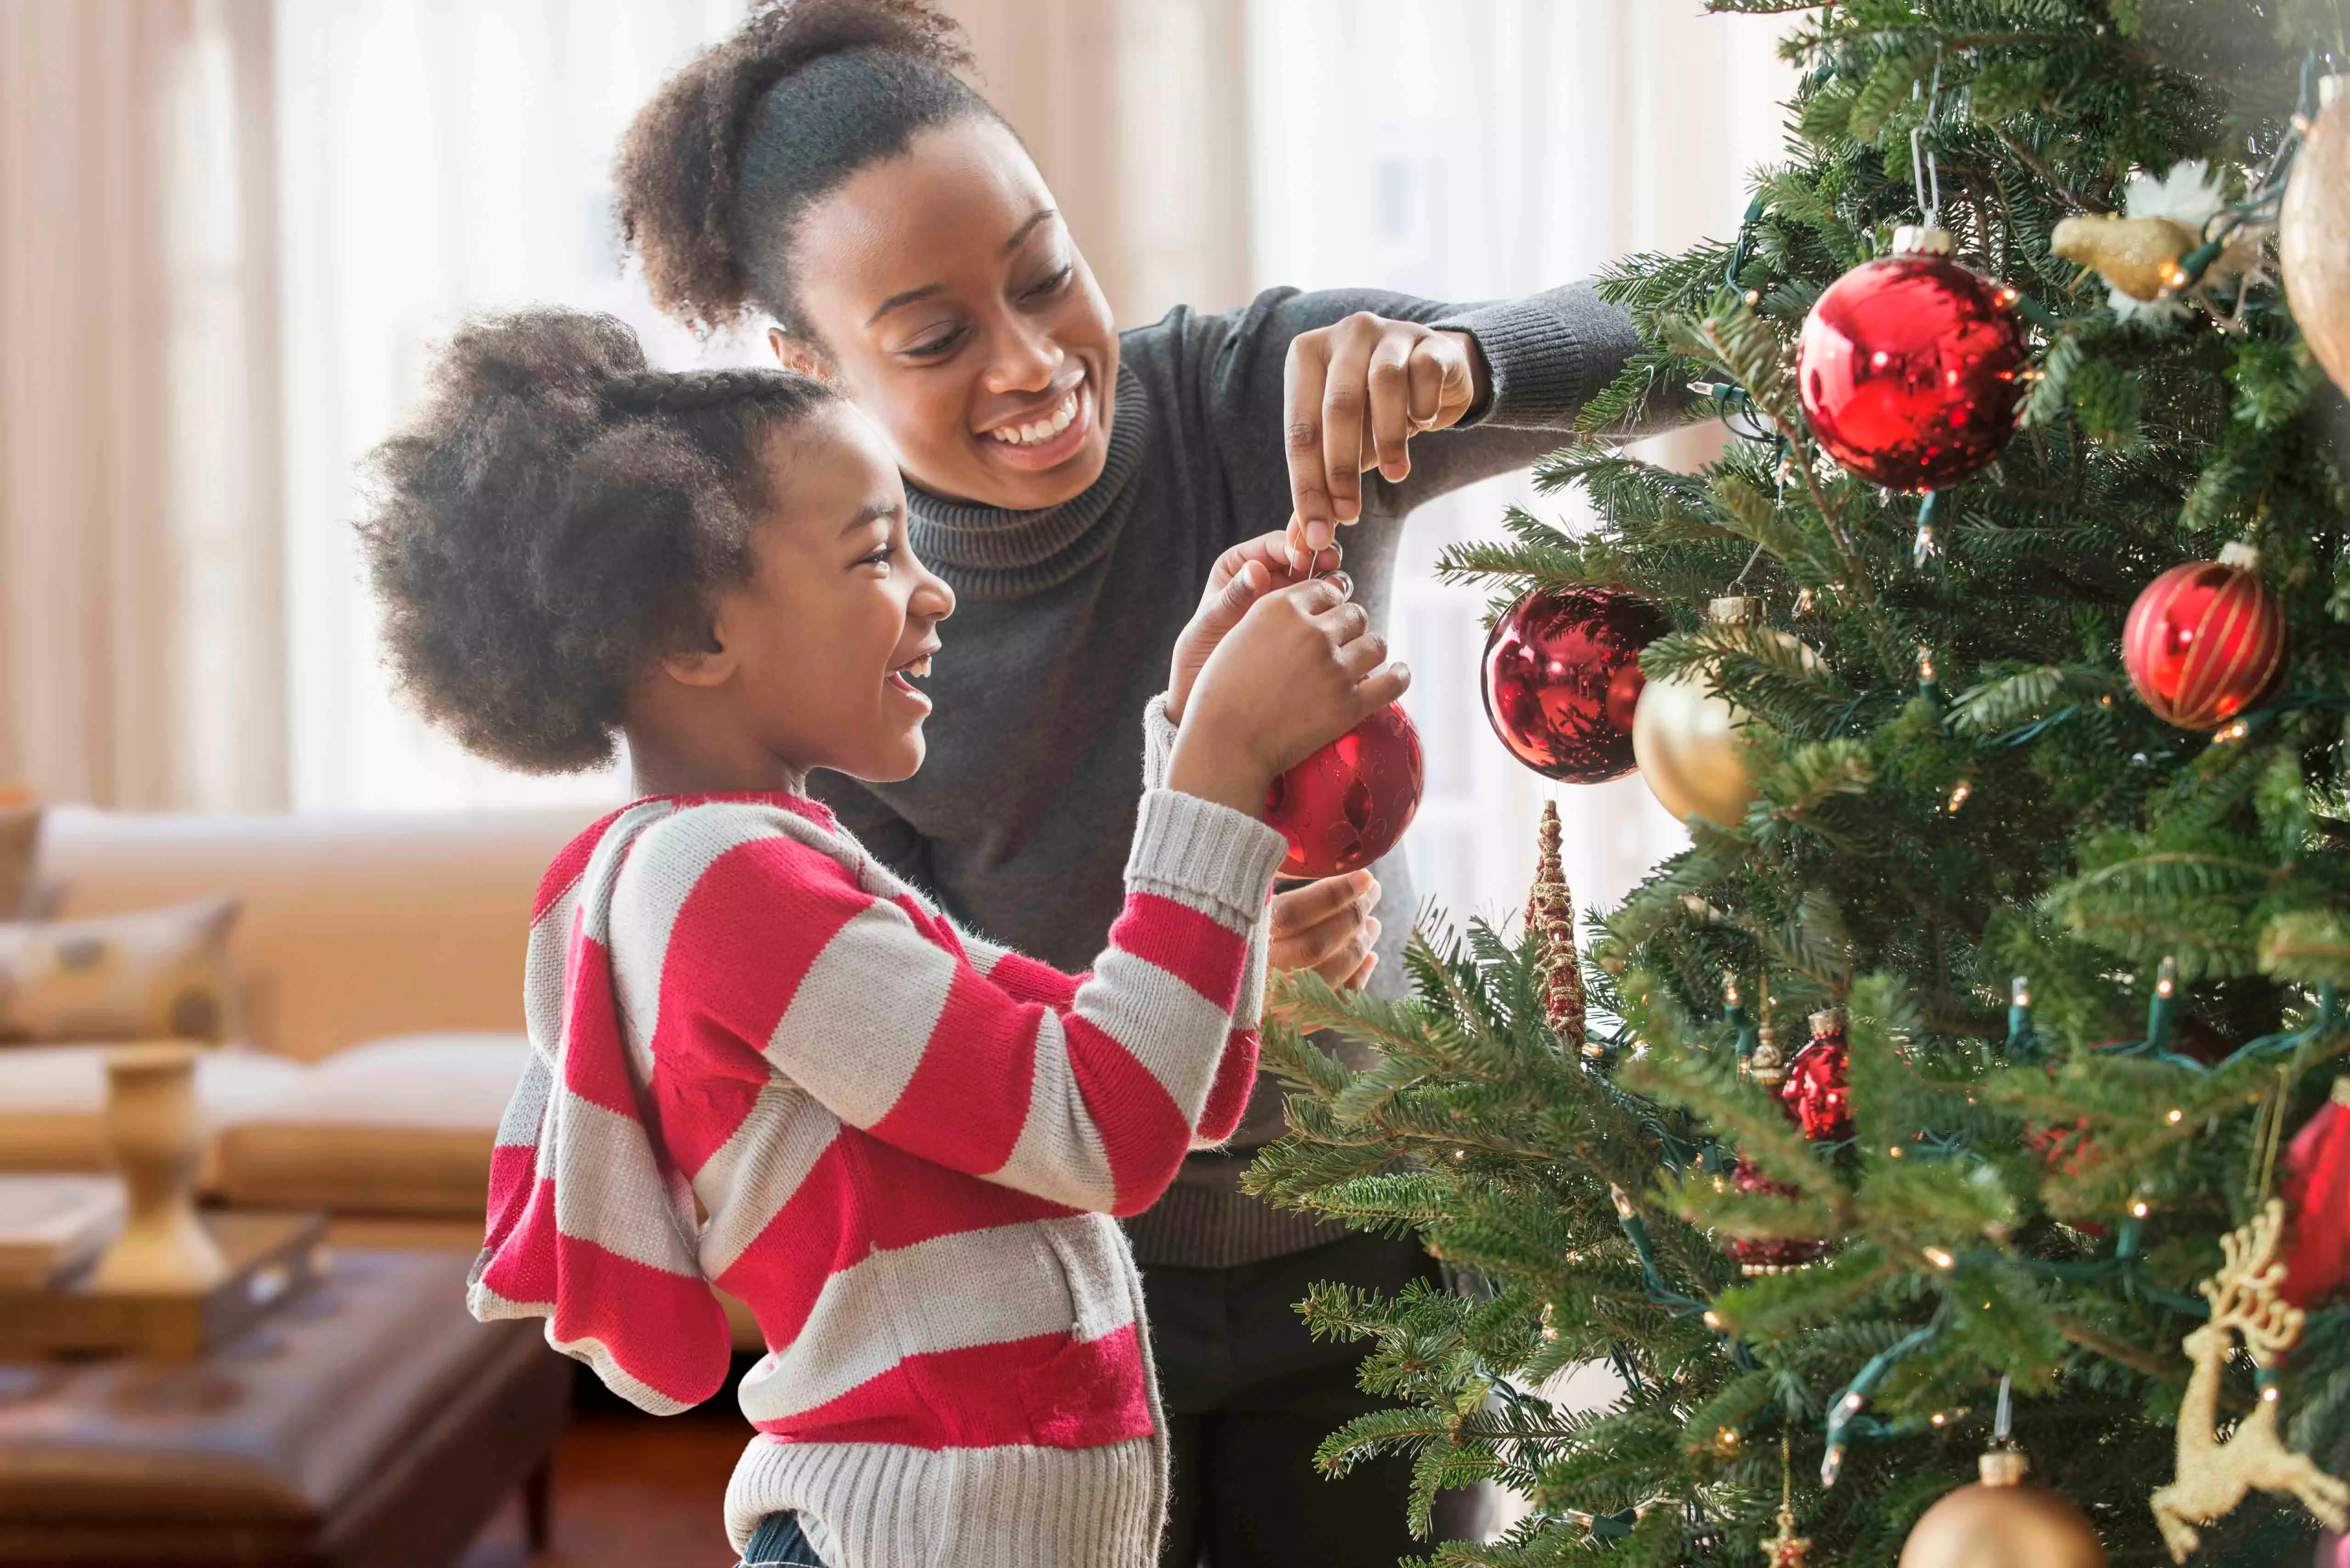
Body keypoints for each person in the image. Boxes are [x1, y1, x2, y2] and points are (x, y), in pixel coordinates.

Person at [614, 3, 1655, 1558]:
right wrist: (1218, 965)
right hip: (1061, 1314)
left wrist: (1473, 357)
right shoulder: (821, 644)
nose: (1033, 361)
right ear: (804, 365)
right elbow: (926, 1058)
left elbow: (1694, 338)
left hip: (1382, 1255)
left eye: (1044, 275)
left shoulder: (1264, 401)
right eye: (934, 336)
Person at [356, 308, 1407, 1568]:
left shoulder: (764, 862)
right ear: (699, 634)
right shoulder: (714, 880)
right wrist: (1215, 772)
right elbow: (1104, 1126)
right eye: (873, 557)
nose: (934, 589)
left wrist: (1190, 734)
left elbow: (1159, 1090)